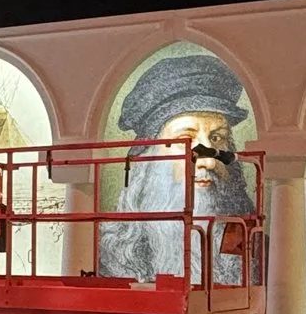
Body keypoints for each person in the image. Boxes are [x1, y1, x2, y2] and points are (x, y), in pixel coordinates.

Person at [98, 51, 256, 284]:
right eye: (185, 139)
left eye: (216, 138)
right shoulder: (110, 257)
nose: (209, 161)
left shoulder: (260, 248)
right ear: (148, 160)